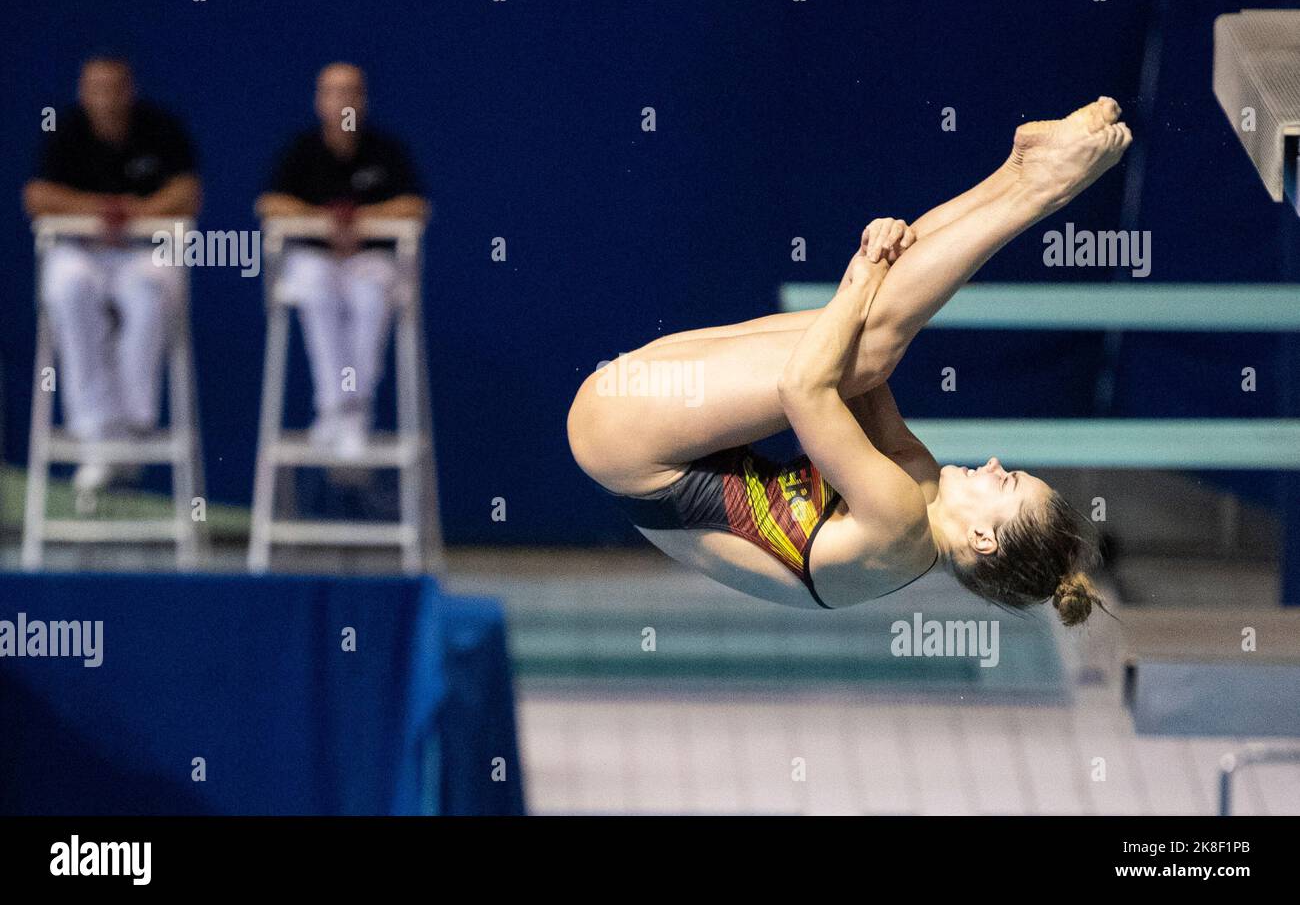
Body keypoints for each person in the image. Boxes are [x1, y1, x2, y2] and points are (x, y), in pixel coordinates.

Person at [568, 98, 1133, 623]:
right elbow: (856, 349)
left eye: (1005, 482)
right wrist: (873, 268)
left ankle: (1043, 189)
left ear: (984, 538)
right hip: (645, 428)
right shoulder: (919, 485)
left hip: (629, 442)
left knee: (870, 345)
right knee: (873, 333)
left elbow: (805, 389)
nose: (991, 462)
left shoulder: (901, 527)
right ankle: (1017, 173)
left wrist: (860, 280)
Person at [23, 55, 202, 499]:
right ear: (83, 92)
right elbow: (37, 195)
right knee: (67, 288)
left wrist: (134, 215)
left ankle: (132, 421)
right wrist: (100, 211)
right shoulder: (64, 132)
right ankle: (96, 427)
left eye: (113, 87)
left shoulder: (160, 130)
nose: (104, 98)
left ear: (129, 90)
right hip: (81, 252)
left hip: (143, 253)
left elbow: (186, 193)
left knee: (148, 290)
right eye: (94, 88)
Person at [255, 62, 428, 459]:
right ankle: (336, 408)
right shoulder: (301, 151)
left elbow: (414, 206)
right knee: (316, 291)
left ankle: (351, 413)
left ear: (363, 100)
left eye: (351, 92)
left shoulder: (385, 151)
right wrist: (325, 223)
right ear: (319, 100)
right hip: (315, 261)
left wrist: (360, 223)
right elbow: (270, 203)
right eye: (333, 92)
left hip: (370, 263)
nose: (343, 101)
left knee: (370, 297)